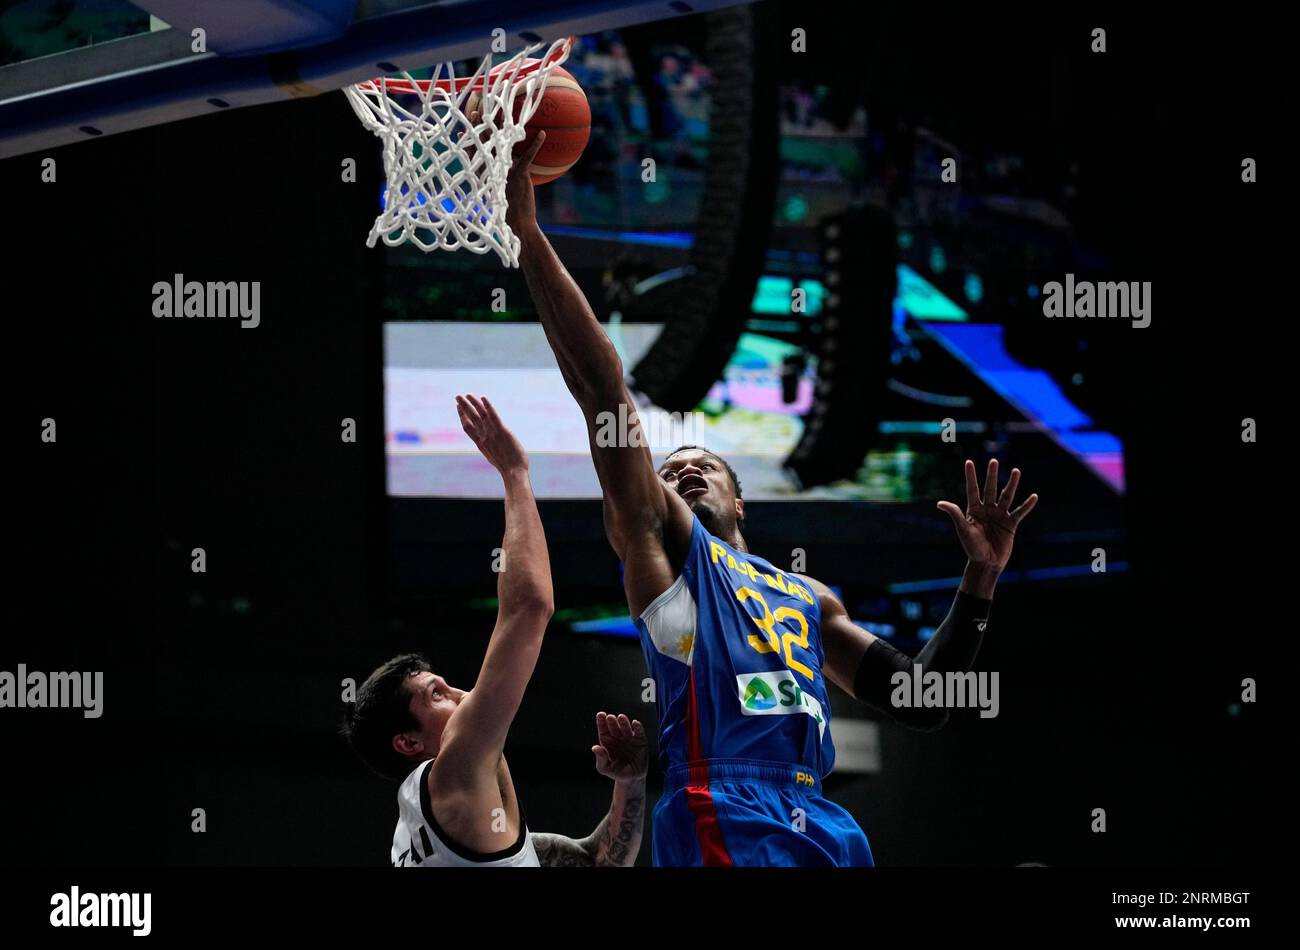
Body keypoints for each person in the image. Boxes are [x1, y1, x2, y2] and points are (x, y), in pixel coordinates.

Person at [505, 135, 1039, 866]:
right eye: (671, 470)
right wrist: (530, 236)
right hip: (720, 802)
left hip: (823, 818)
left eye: (704, 464)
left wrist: (979, 581)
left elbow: (926, 703)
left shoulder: (812, 600)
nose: (685, 473)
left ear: (742, 499)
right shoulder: (672, 566)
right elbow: (603, 390)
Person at [342, 394, 647, 866]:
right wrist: (515, 472)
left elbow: (597, 863)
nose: (460, 693)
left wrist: (629, 784)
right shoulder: (453, 769)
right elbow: (529, 607)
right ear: (409, 743)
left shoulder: (435, 826)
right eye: (436, 695)